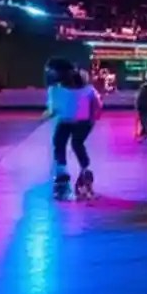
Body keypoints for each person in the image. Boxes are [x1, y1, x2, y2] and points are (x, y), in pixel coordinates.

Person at [43, 58, 102, 199]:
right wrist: (92, 118)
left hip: (67, 120)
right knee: (76, 143)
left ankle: (62, 174)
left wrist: (46, 114)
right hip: (83, 121)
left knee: (59, 143)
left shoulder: (55, 90)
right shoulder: (88, 89)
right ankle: (85, 170)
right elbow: (97, 107)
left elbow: (52, 111)